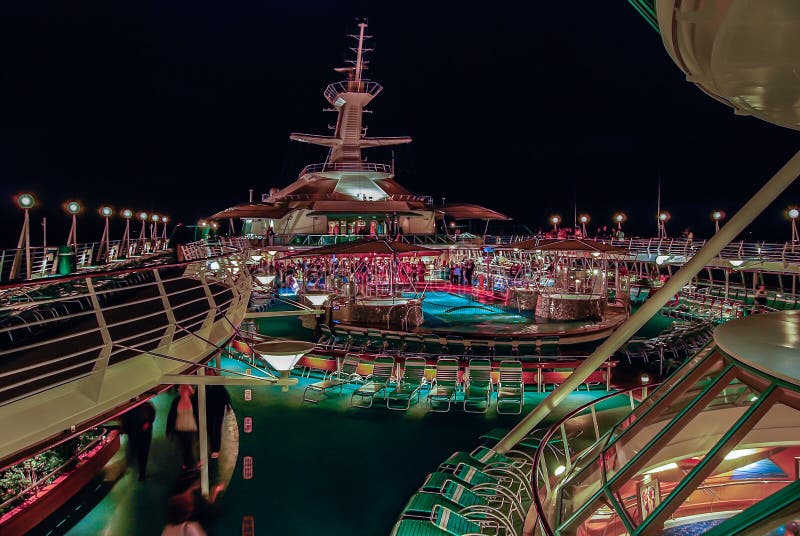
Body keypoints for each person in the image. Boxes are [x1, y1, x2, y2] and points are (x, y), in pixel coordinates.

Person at [121, 400, 156, 481]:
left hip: (143, 435)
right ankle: (138, 468)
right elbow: (125, 419)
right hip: (135, 433)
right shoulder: (145, 406)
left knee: (143, 453)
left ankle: (142, 473)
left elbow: (152, 415)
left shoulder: (146, 406)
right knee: (137, 451)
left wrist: (148, 423)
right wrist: (124, 429)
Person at [166, 385, 199, 469]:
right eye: (182, 389)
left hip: (191, 428)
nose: (183, 391)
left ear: (189, 390)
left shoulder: (194, 400)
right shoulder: (176, 401)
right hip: (179, 429)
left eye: (185, 389)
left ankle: (192, 467)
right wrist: (169, 430)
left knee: (190, 449)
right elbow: (171, 416)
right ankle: (186, 463)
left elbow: (199, 415)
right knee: (183, 448)